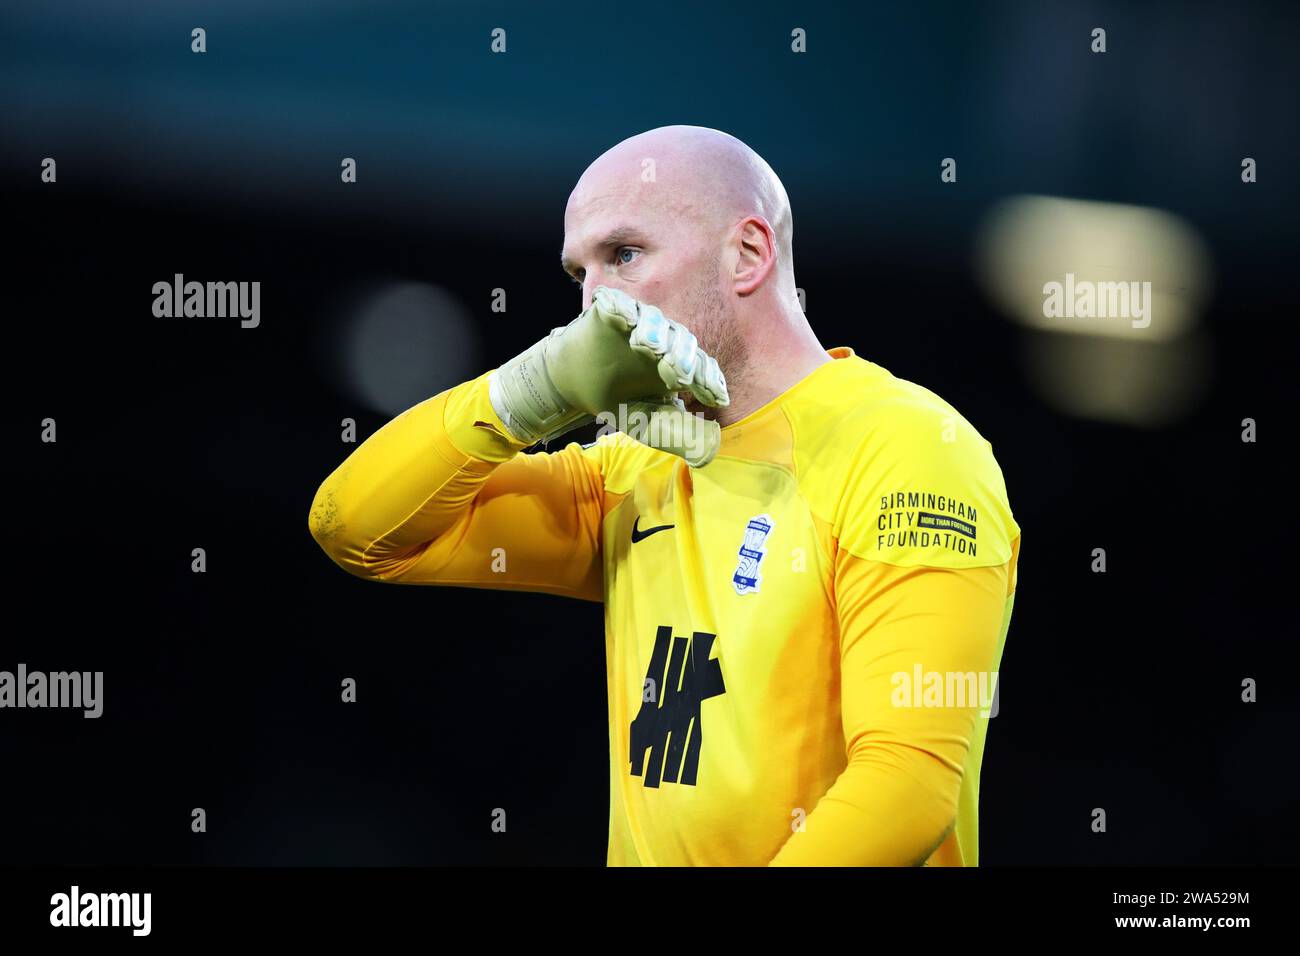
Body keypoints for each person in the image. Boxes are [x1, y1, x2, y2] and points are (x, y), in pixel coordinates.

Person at [309, 125, 1021, 866]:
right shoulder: (631, 472)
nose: (594, 304)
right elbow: (356, 529)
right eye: (578, 274)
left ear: (747, 254)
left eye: (623, 255)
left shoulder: (907, 450)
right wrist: (528, 394)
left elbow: (908, 786)